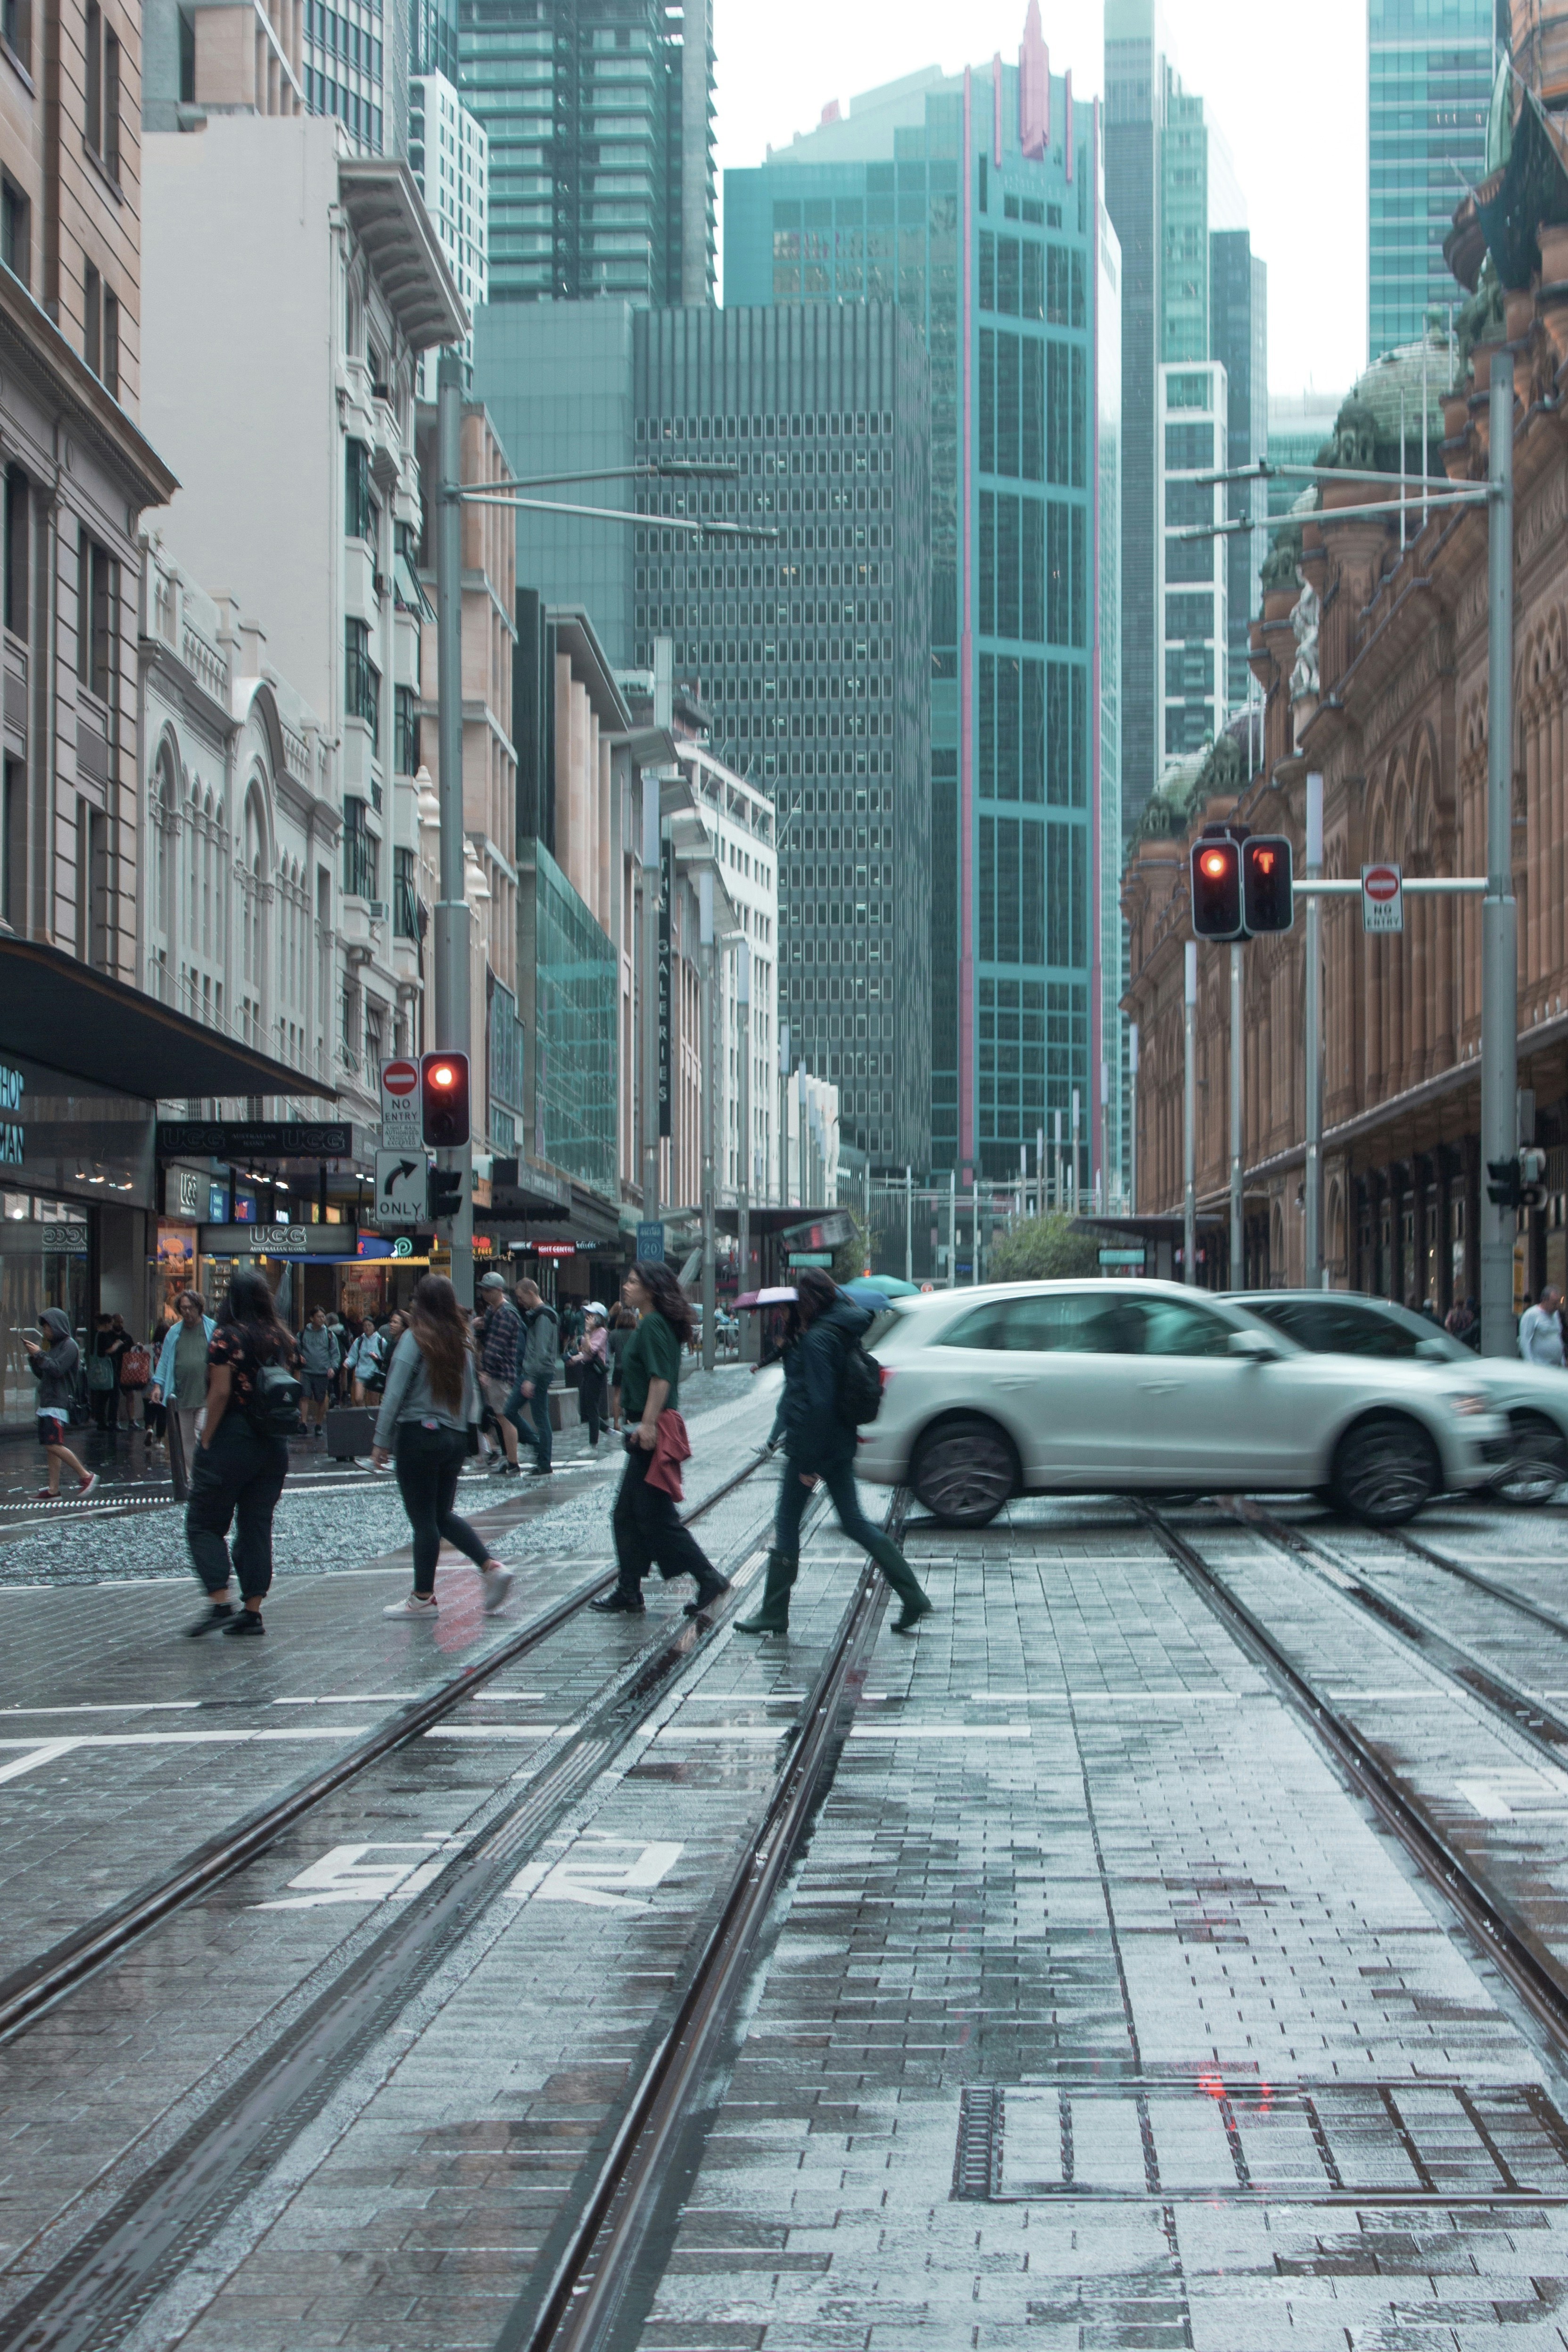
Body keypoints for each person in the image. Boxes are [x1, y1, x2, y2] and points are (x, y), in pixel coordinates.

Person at [737, 1266, 931, 1640]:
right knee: (855, 1522)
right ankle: (912, 1594)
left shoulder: (819, 1339)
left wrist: (808, 1462)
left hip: (814, 1447)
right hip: (839, 1442)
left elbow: (820, 1402)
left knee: (788, 1522)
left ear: (809, 1301)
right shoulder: (839, 1330)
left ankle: (774, 1611)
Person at [590, 1261, 730, 1618]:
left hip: (652, 1429)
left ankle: (707, 1577)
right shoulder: (653, 1323)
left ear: (651, 1289)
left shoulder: (653, 1324)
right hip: (647, 1426)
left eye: (633, 1281)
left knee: (655, 1517)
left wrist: (648, 1425)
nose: (626, 1286)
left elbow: (660, 1380)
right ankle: (629, 1588)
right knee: (629, 1514)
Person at [371, 1274, 514, 1619]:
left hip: (418, 1434)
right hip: (452, 1438)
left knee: (423, 1520)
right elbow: (471, 1397)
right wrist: (470, 1440)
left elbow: (394, 1392)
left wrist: (380, 1441)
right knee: (441, 1514)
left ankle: (422, 1597)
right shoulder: (461, 1342)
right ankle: (490, 1566)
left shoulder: (413, 1339)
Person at [184, 1271, 296, 1637]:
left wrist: (206, 1439)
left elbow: (219, 1393)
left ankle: (220, 1602)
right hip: (272, 1443)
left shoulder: (226, 1335)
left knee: (204, 1522)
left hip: (233, 1437)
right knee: (256, 1525)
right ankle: (252, 1611)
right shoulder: (279, 1336)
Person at [25, 1310, 97, 1499]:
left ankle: (85, 1475)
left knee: (52, 1443)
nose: (45, 1331)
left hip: (58, 1402)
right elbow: (45, 1374)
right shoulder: (55, 1347)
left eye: (47, 1326)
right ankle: (53, 1488)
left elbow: (57, 1370)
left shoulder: (69, 1346)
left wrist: (40, 1355)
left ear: (56, 1326)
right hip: (49, 1401)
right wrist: (35, 1359)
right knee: (51, 1445)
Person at [150, 1290, 216, 1480]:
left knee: (201, 1435)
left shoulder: (211, 1328)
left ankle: (203, 1475)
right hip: (182, 1394)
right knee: (186, 1440)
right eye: (183, 1308)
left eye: (190, 1308)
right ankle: (192, 1479)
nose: (187, 1312)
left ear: (199, 1308)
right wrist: (158, 1386)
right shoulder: (174, 1332)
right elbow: (164, 1361)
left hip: (206, 1394)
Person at [508, 1277, 560, 1477]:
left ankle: (542, 1455)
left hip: (536, 1372)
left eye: (522, 1297)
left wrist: (531, 1377)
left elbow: (540, 1351)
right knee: (534, 1415)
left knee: (534, 1416)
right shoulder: (541, 1315)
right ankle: (541, 1453)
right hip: (536, 1371)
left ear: (531, 1293)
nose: (520, 1302)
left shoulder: (544, 1316)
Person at [477, 1271, 523, 1474]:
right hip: (497, 1372)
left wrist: (486, 1370)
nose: (484, 1294)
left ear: (499, 1291)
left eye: (488, 1290)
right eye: (483, 1290)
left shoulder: (506, 1313)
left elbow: (497, 1346)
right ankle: (509, 1459)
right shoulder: (493, 1311)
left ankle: (513, 1462)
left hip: (501, 1373)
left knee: (505, 1417)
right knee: (500, 1417)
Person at [569, 1302, 610, 1449]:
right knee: (587, 1408)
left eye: (591, 1316)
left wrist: (586, 1334)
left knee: (592, 1408)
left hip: (596, 1373)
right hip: (586, 1369)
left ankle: (593, 1443)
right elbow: (585, 1351)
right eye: (587, 1315)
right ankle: (607, 1430)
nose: (587, 1318)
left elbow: (591, 1350)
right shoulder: (590, 1333)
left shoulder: (602, 1332)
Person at [299, 1305, 341, 1441]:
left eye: (323, 1317)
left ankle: (318, 1424)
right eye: (319, 1317)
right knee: (304, 1397)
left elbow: (336, 1354)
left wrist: (333, 1368)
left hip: (322, 1371)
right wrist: (298, 1358)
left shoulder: (329, 1335)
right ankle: (303, 1423)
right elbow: (297, 1349)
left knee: (321, 1399)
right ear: (312, 1318)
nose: (322, 1319)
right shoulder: (304, 1333)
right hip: (306, 1370)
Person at [1519, 1284, 1566, 1368]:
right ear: (1545, 1300)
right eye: (1554, 1303)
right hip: (1540, 1366)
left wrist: (1562, 1361)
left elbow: (1557, 1337)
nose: (1557, 1306)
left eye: (1558, 1302)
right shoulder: (1532, 1315)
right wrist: (1531, 1366)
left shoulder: (1556, 1315)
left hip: (1556, 1366)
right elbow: (1525, 1341)